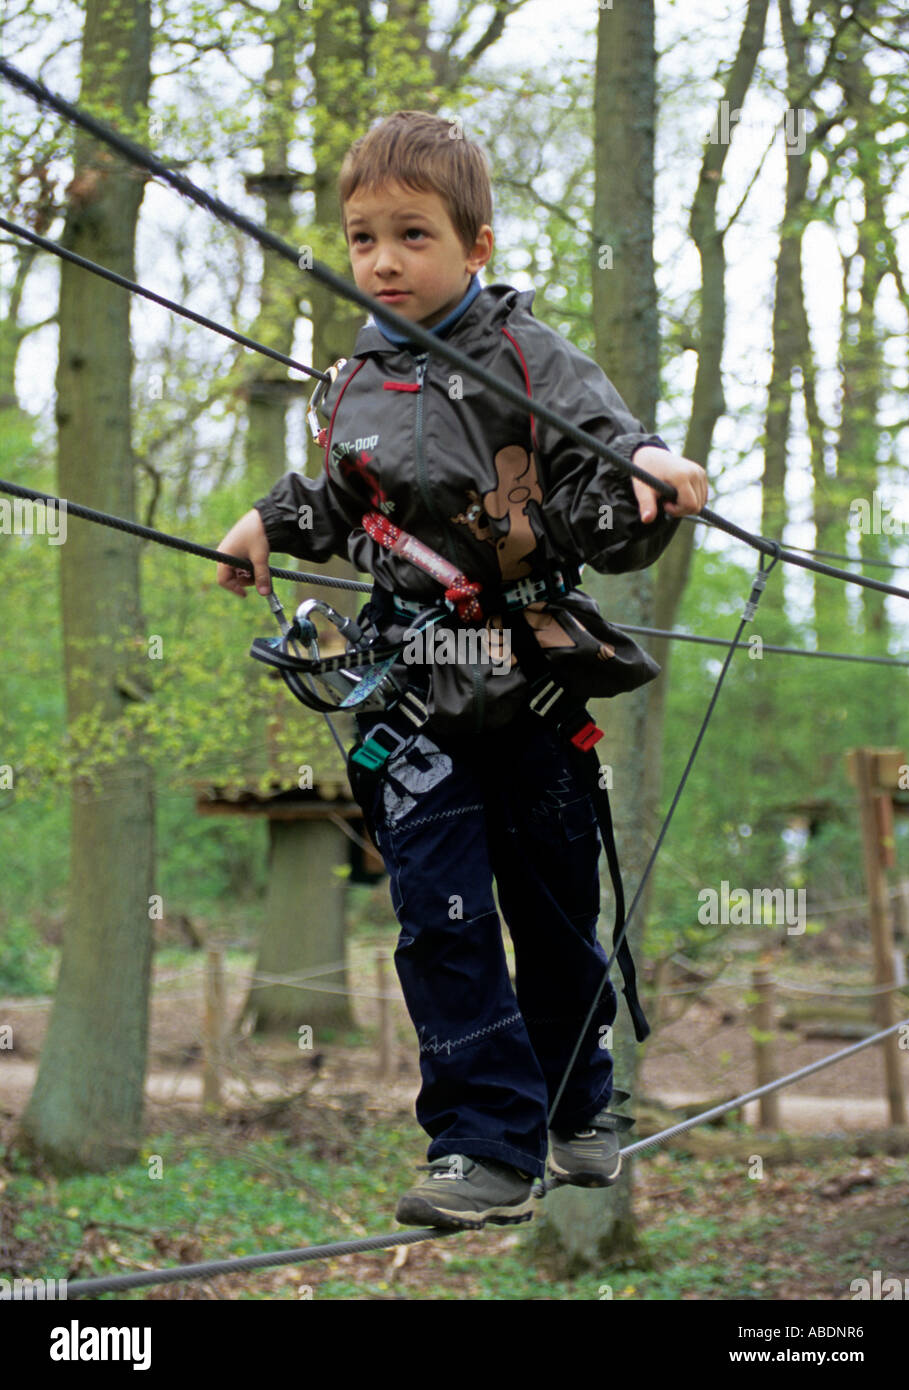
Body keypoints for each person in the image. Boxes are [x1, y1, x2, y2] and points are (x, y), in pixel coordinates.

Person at [217, 111, 708, 1230]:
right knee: (438, 918)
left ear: (475, 246)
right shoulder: (350, 381)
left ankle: (579, 1108)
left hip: (531, 693)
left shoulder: (529, 356)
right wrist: (262, 521)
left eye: (412, 236)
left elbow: (601, 440)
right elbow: (335, 497)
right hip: (415, 694)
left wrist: (651, 468)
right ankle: (480, 1143)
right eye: (361, 239)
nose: (383, 261)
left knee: (551, 919)